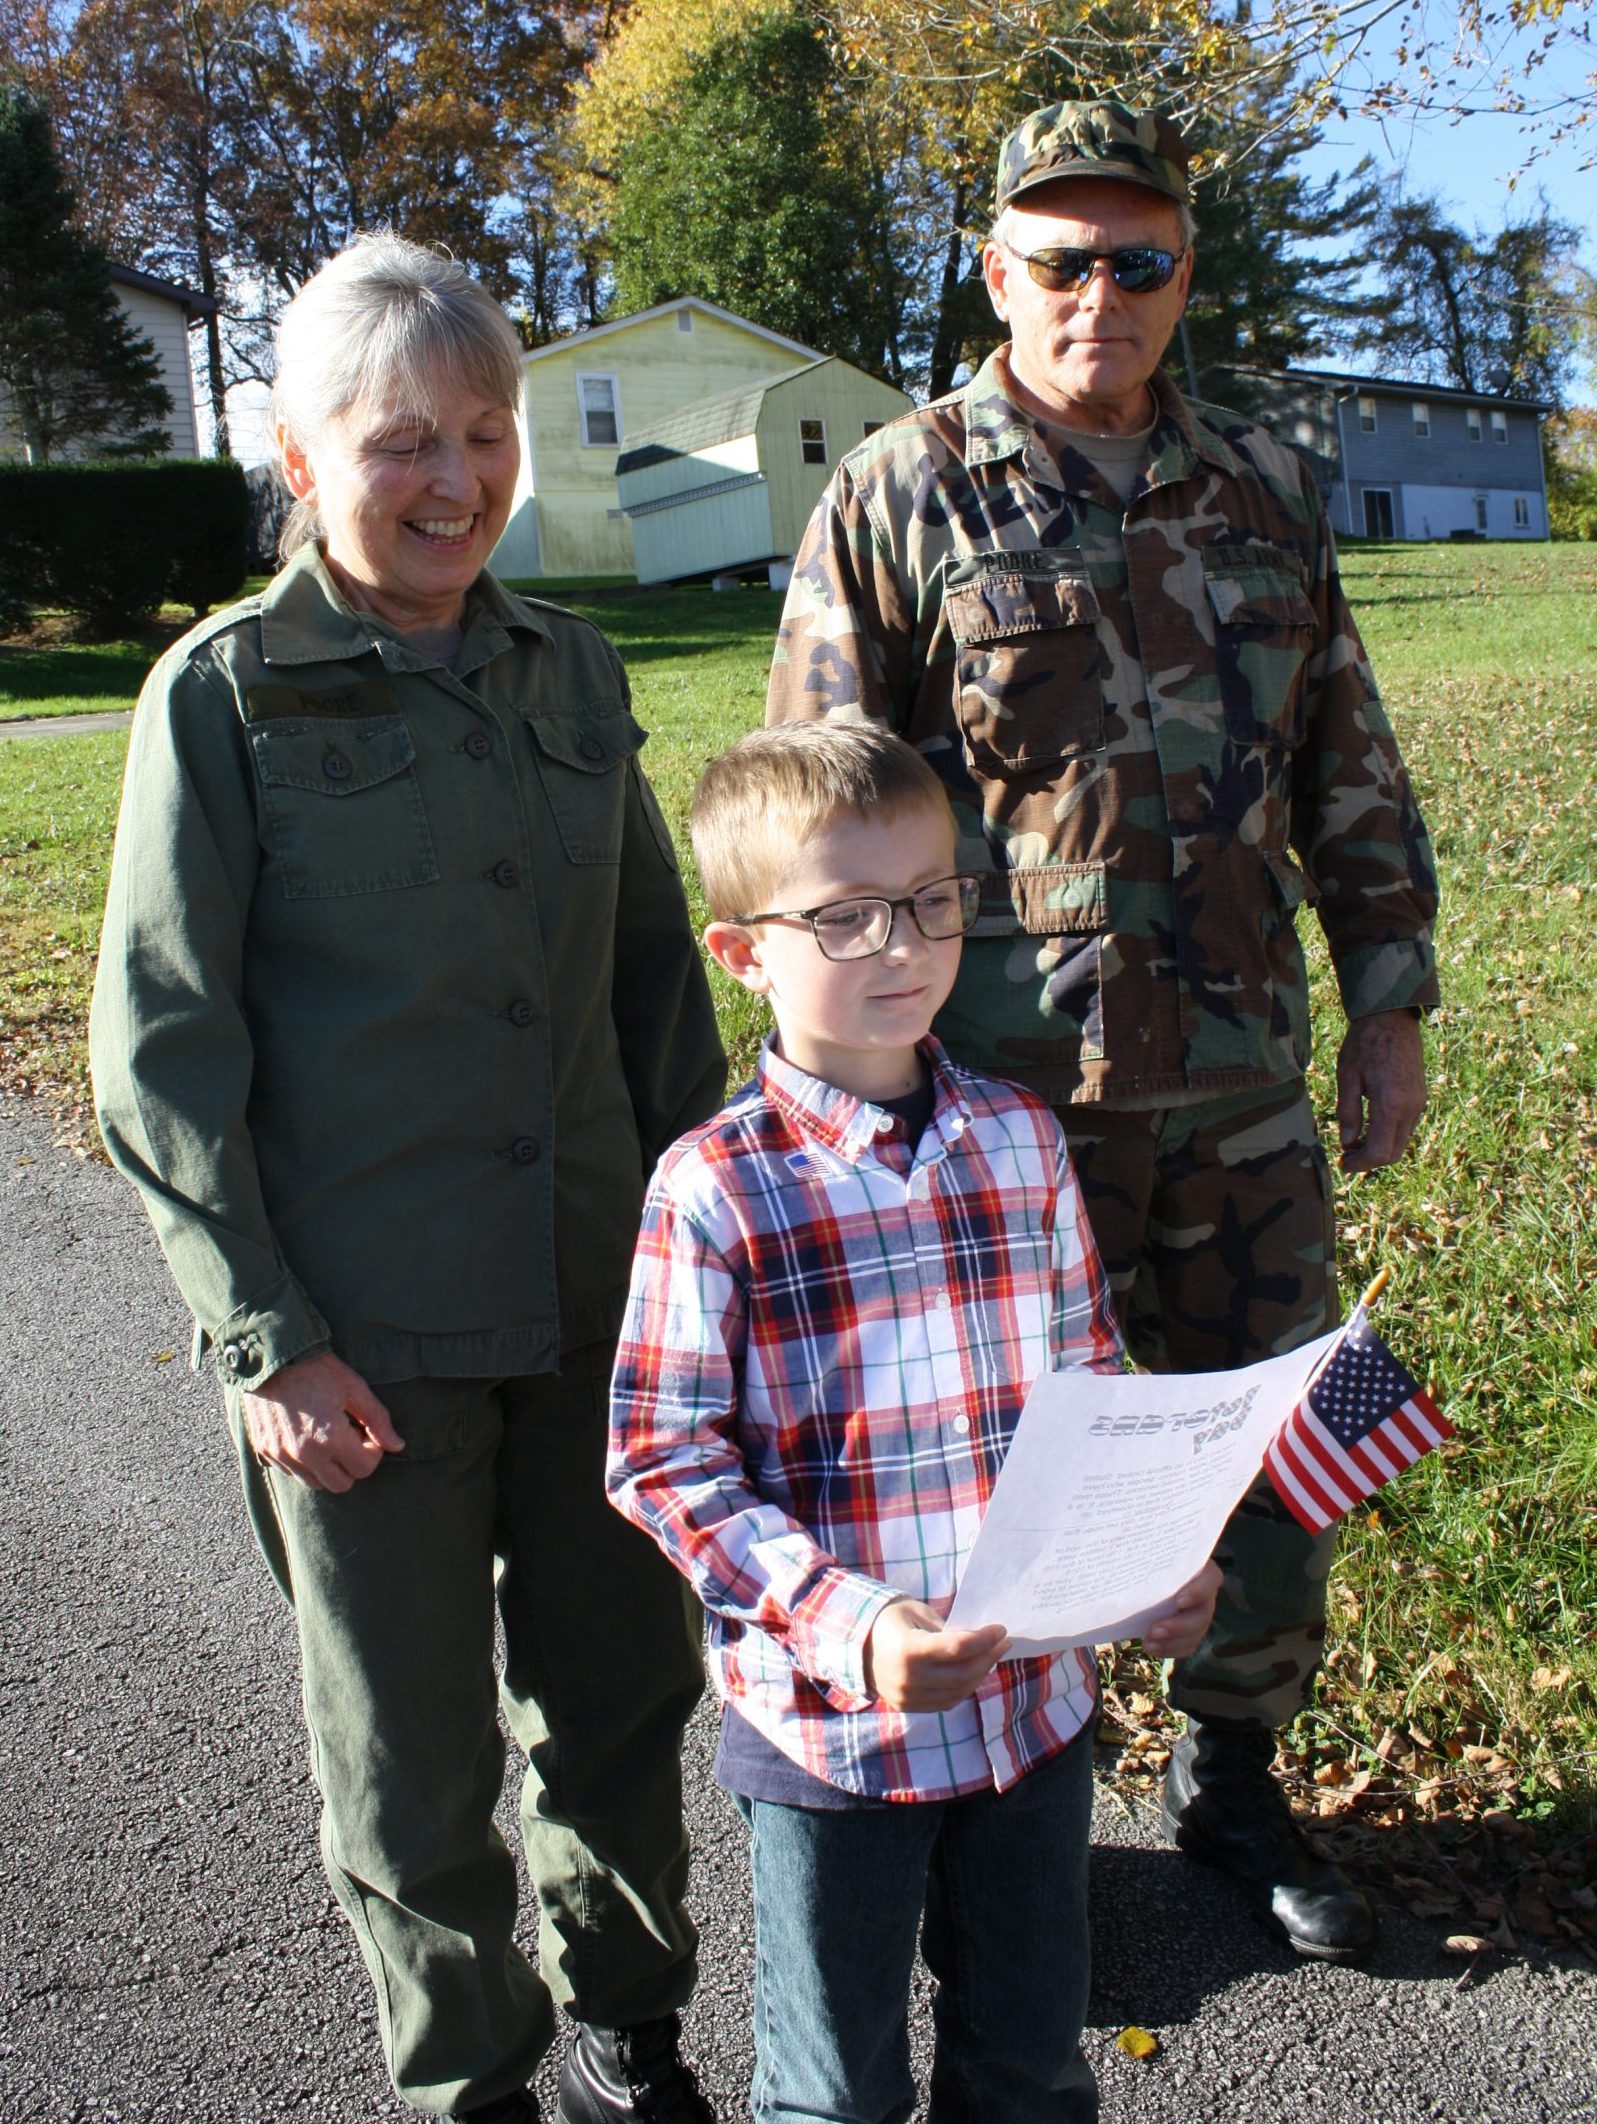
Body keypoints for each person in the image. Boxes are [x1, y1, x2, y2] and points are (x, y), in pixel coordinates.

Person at [765, 100, 1441, 1962]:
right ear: (997, 272)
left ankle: (1234, 1776)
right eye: (1060, 259)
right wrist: (842, 1077)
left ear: (1181, 278)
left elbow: (1348, 765)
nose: (1099, 295)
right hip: (998, 1110)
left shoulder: (1264, 487)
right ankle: (992, 1803)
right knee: (988, 1474)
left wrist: (1385, 1006)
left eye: (1137, 260)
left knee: (1264, 1447)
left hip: (1239, 1088)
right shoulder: (897, 493)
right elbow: (819, 808)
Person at [89, 233, 724, 2124]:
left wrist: (710, 1263)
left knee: (621, 1699)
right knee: (409, 1758)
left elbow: (653, 987)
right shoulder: (224, 694)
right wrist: (265, 1340)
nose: (454, 480)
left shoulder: (573, 665)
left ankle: (630, 2023)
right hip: (364, 1340)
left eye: (484, 431)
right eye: (399, 443)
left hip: (599, 1302)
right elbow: (165, 1046)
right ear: (299, 458)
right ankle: (470, 2080)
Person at [608, 722, 1223, 2123]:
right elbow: (660, 1458)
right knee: (836, 2091)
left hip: (1033, 1713)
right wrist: (858, 1625)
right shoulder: (714, 1187)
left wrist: (1144, 1560)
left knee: (1029, 2063)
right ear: (743, 952)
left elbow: (1085, 1390)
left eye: (933, 900)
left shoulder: (1018, 1137)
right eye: (845, 916)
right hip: (831, 1734)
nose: (903, 944)